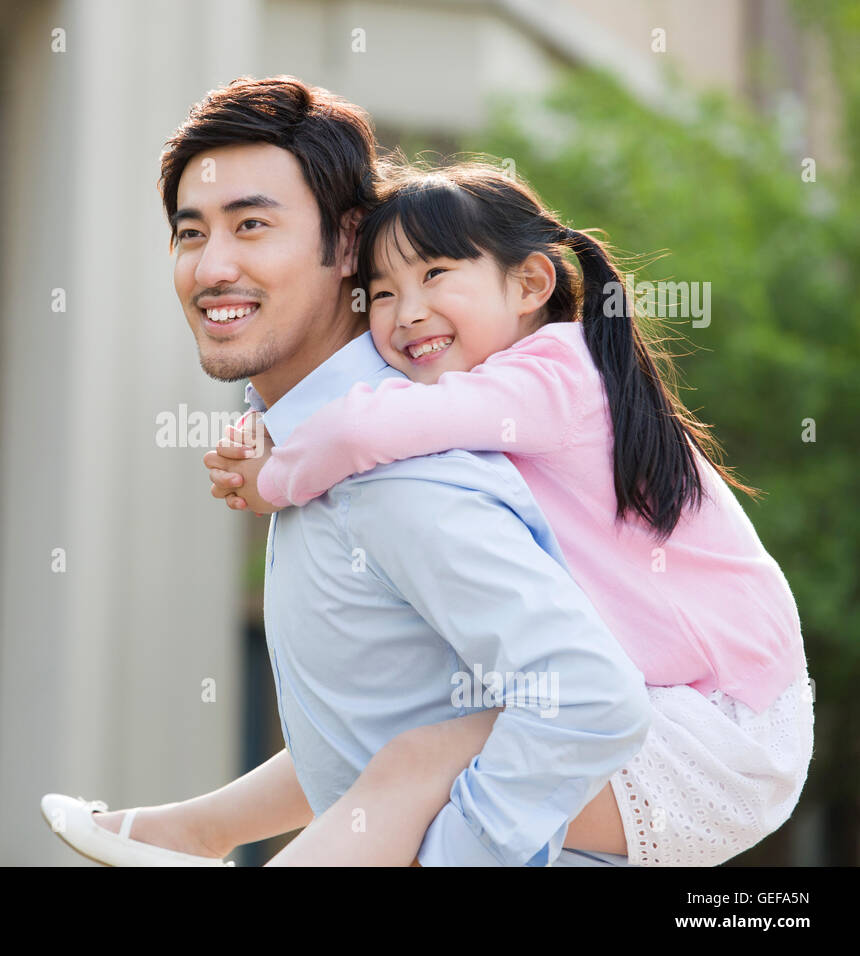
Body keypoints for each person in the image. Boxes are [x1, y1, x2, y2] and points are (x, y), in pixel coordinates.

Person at [81, 75, 656, 867]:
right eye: (190, 234)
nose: (213, 266)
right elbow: (386, 732)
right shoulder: (323, 450)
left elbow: (587, 697)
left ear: (348, 243)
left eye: (252, 225)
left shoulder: (397, 470)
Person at [204, 158, 814, 865]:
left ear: (530, 283)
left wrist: (276, 474)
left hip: (722, 732)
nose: (408, 313)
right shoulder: (522, 390)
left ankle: (203, 834)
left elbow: (371, 427)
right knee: (406, 748)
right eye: (382, 294)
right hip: (700, 712)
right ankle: (199, 830)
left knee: (414, 764)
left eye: (434, 275)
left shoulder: (555, 371)